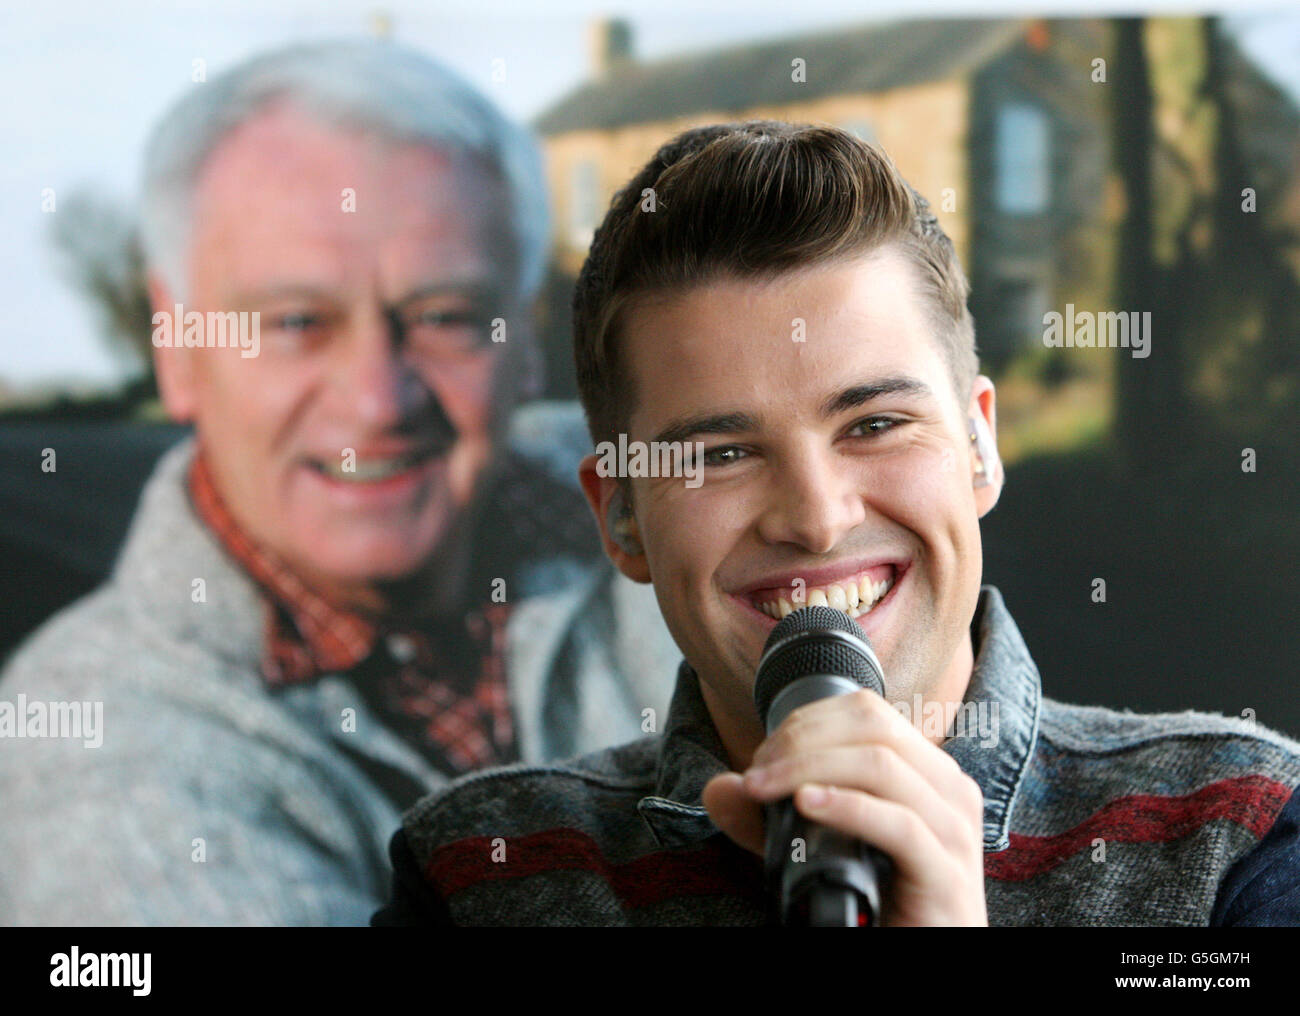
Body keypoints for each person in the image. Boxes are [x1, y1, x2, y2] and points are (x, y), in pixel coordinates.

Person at [375, 120, 1300, 926]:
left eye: (876, 424)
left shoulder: (1238, 832)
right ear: (621, 519)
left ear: (979, 447)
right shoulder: (477, 875)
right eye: (720, 454)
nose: (818, 520)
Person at [0, 39, 676, 926]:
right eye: (295, 322)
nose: (377, 400)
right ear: (176, 349)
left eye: (445, 317)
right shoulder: (89, 747)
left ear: (526, 339)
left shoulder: (679, 503)